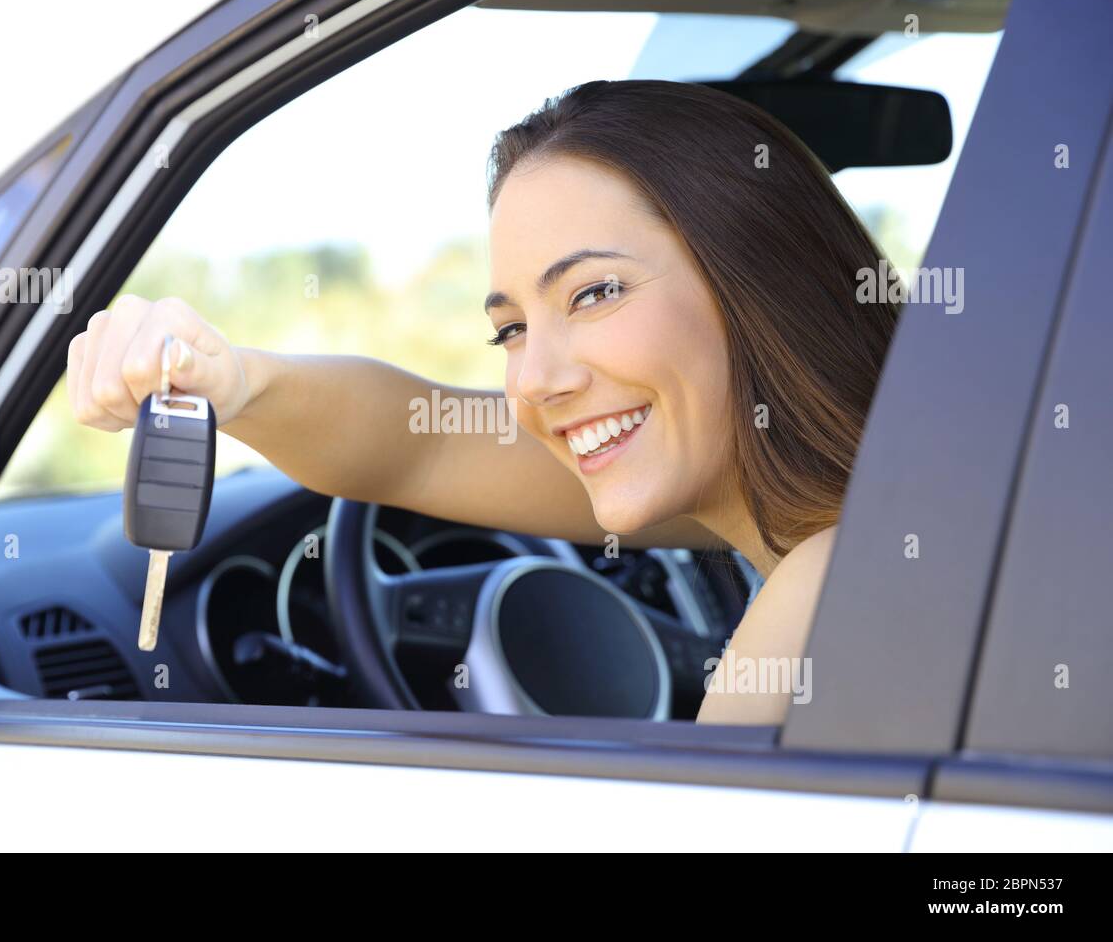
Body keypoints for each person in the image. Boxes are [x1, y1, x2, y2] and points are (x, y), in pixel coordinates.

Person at [67, 79, 899, 725]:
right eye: (509, 331)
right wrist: (233, 379)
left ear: (762, 282)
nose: (535, 379)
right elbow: (416, 444)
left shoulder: (827, 581)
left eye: (594, 292)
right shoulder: (828, 497)